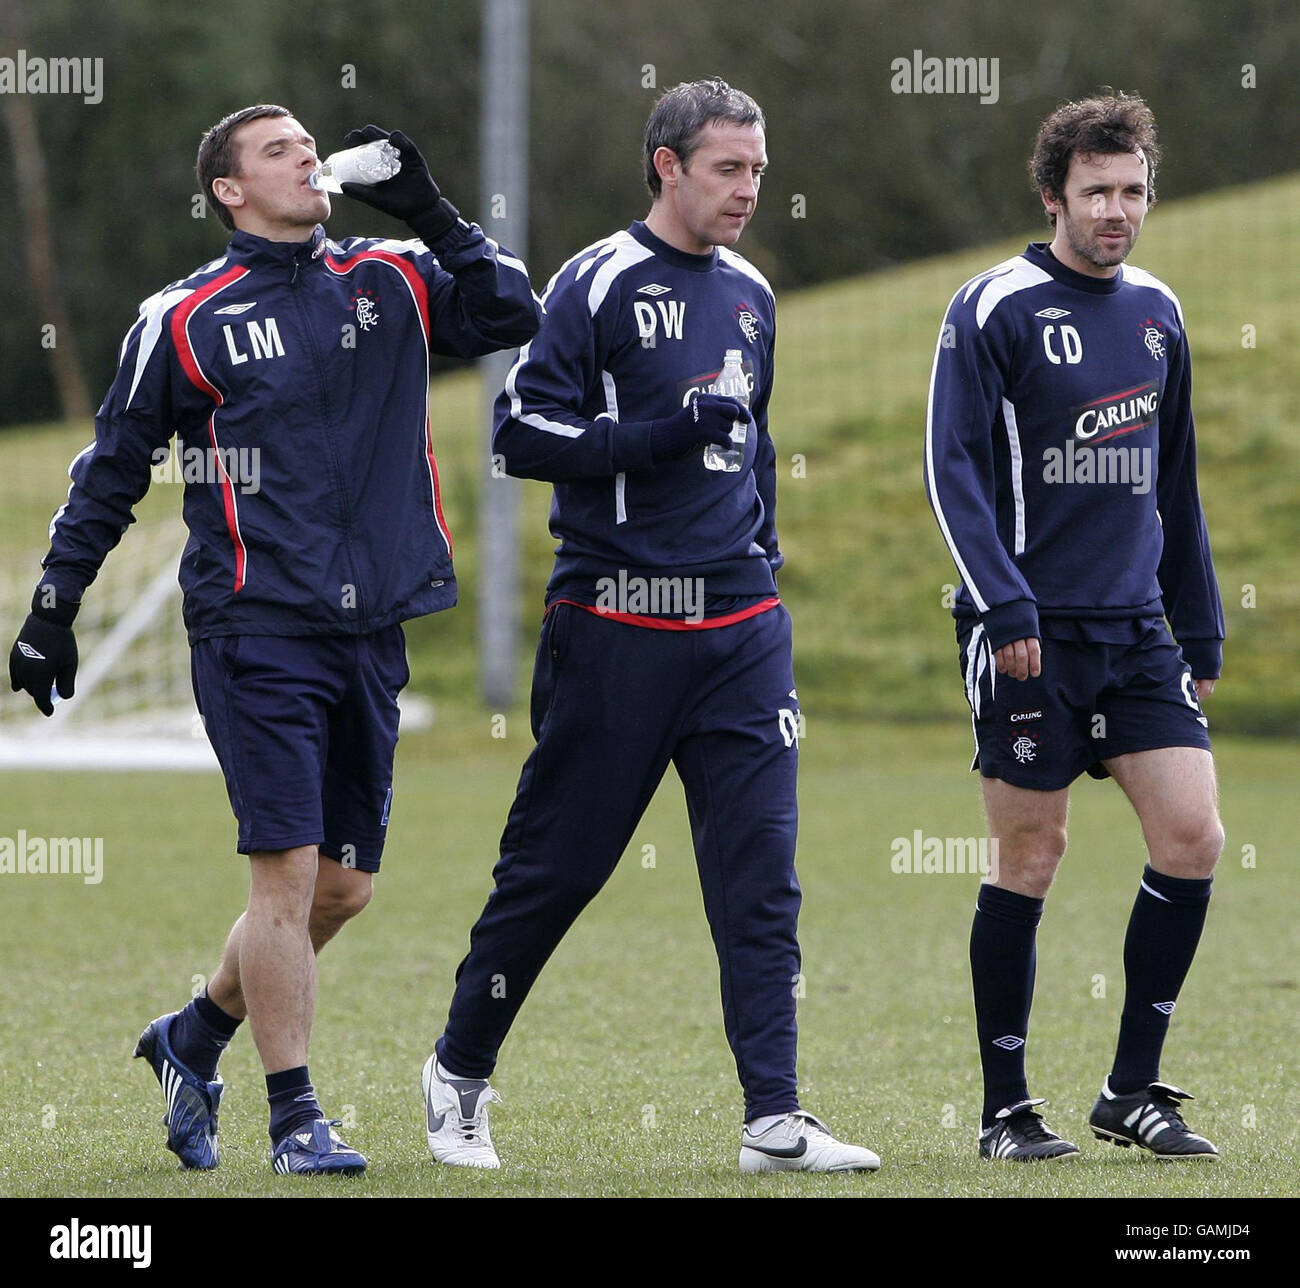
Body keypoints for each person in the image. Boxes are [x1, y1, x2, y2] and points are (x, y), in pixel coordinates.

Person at [7, 104, 541, 1175]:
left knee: (343, 890)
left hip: (370, 630)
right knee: (285, 881)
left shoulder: (389, 277)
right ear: (230, 191)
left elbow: (509, 312)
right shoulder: (186, 316)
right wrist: (55, 603)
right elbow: (111, 468)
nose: (306, 157)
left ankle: (191, 1036)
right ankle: (295, 1117)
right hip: (253, 629)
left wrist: (433, 211)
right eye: (276, 150)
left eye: (309, 144)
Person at [420, 78, 880, 1176]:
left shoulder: (755, 293)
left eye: (758, 170)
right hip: (616, 625)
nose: (748, 189)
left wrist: (758, 558)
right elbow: (520, 433)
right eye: (728, 168)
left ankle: (775, 1117)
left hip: (742, 630)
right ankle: (457, 1072)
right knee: (557, 869)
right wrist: (655, 434)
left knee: (761, 874)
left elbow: (752, 448)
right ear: (667, 165)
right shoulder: (598, 280)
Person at [924, 92, 1225, 1161]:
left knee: (1192, 836)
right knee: (1032, 853)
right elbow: (949, 470)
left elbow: (1175, 484)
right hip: (1026, 633)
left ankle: (1131, 1090)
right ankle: (1005, 1110)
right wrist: (1003, 604)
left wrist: (1199, 624)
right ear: (1054, 194)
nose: (1116, 210)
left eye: (1133, 190)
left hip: (1136, 629)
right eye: (1096, 191)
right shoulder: (994, 306)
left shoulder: (1157, 310)